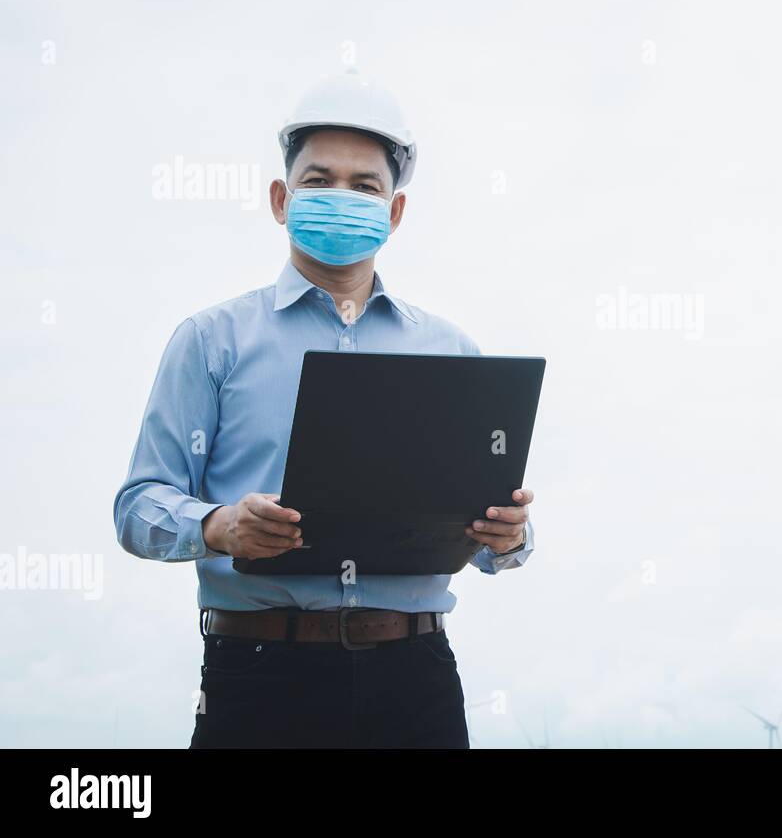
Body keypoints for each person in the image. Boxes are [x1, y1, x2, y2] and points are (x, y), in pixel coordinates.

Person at [113, 71, 534, 748]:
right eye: (319, 179)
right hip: (259, 680)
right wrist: (218, 525)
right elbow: (137, 509)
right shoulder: (211, 341)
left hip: (414, 681)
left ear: (394, 211)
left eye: (365, 186)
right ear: (281, 199)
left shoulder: (452, 350)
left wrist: (511, 536)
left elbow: (496, 543)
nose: (341, 197)